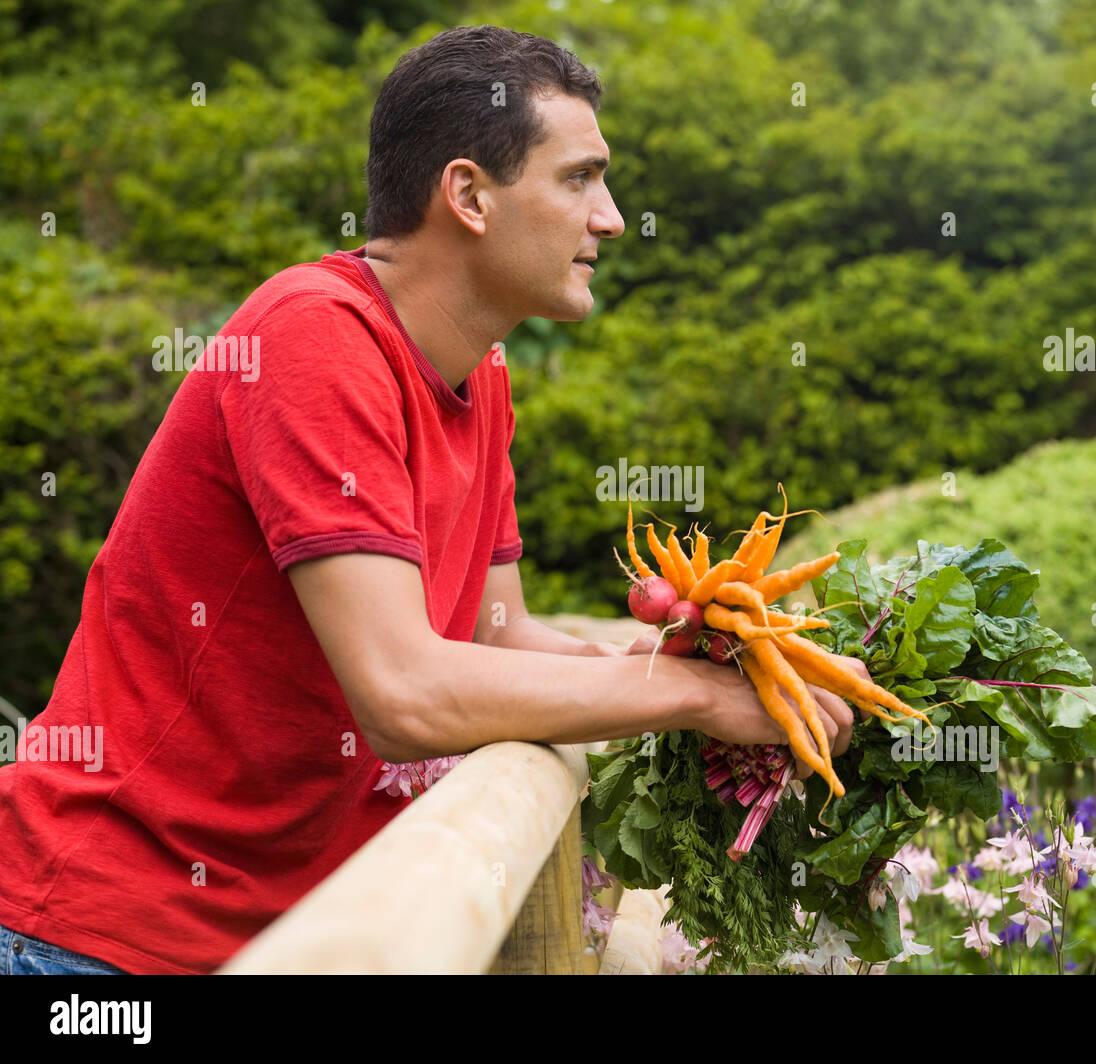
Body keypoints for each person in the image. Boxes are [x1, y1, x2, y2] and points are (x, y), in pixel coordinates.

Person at [0, 24, 858, 975]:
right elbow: (403, 693)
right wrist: (692, 697)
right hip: (94, 939)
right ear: (468, 196)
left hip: (287, 937)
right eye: (580, 177)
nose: (611, 218)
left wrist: (717, 665)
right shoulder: (312, 339)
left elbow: (496, 635)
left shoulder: (479, 377)